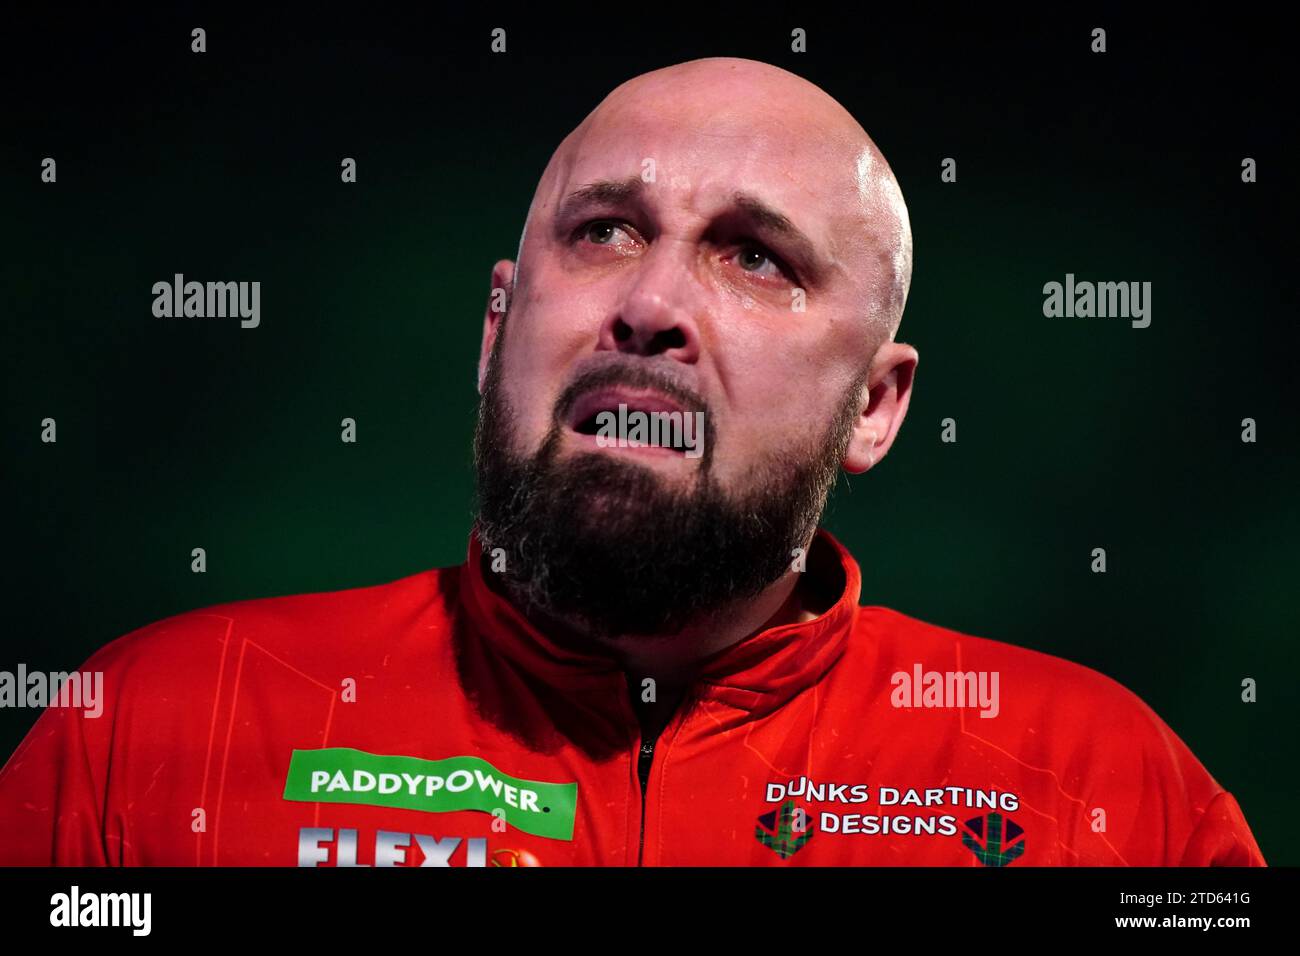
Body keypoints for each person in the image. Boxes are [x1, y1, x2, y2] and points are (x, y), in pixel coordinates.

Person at [0, 57, 1264, 866]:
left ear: (874, 406)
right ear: (498, 330)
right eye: (604, 231)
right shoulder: (152, 733)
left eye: (754, 255)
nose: (652, 300)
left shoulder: (1107, 790)